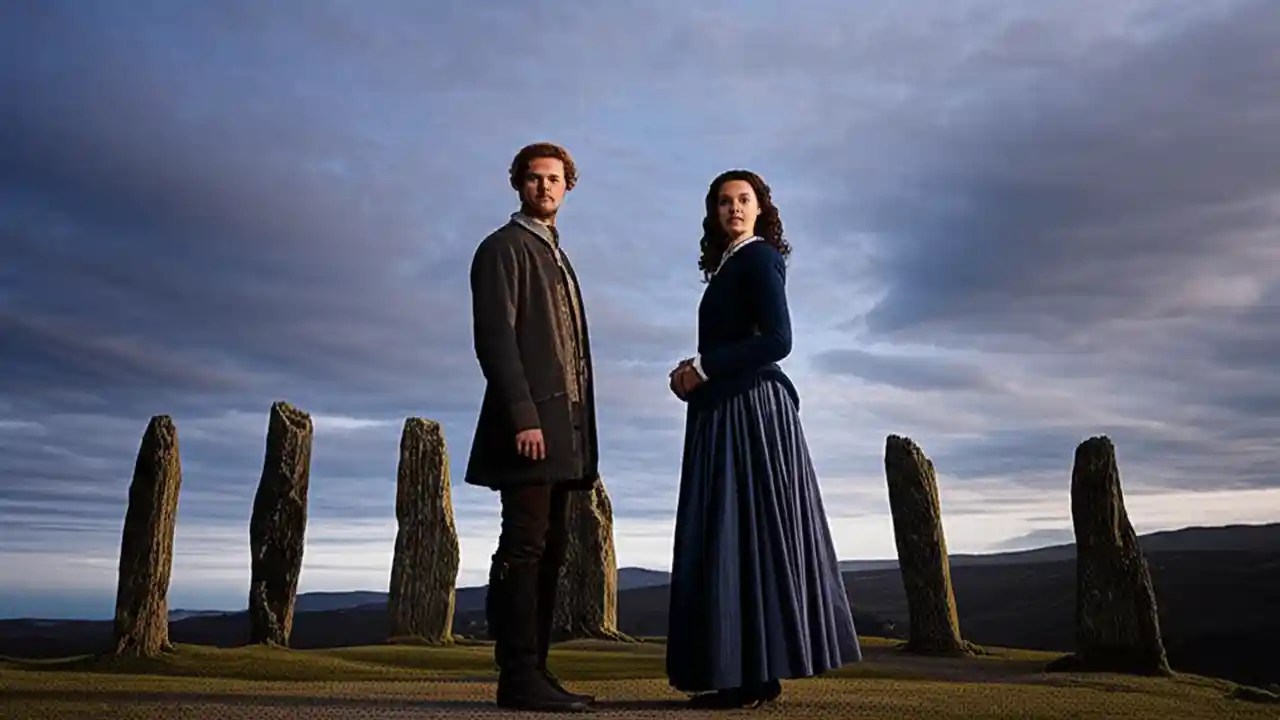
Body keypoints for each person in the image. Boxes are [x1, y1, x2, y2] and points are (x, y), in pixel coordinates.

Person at [665, 169, 862, 709]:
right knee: (733, 533)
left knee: (742, 530)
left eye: (744, 200)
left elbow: (779, 340)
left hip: (750, 411)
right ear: (713, 213)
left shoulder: (759, 258)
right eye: (725, 201)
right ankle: (748, 675)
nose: (734, 208)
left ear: (760, 209)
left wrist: (704, 368)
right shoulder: (729, 265)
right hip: (728, 405)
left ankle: (754, 677)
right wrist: (695, 369)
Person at [464, 142, 598, 713]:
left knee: (551, 549)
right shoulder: (502, 249)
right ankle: (516, 675)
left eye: (555, 179)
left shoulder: (558, 255)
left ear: (569, 186)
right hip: (530, 428)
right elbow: (495, 340)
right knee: (522, 548)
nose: (545, 187)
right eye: (535, 178)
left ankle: (536, 672)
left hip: (566, 430)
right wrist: (523, 416)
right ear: (516, 184)